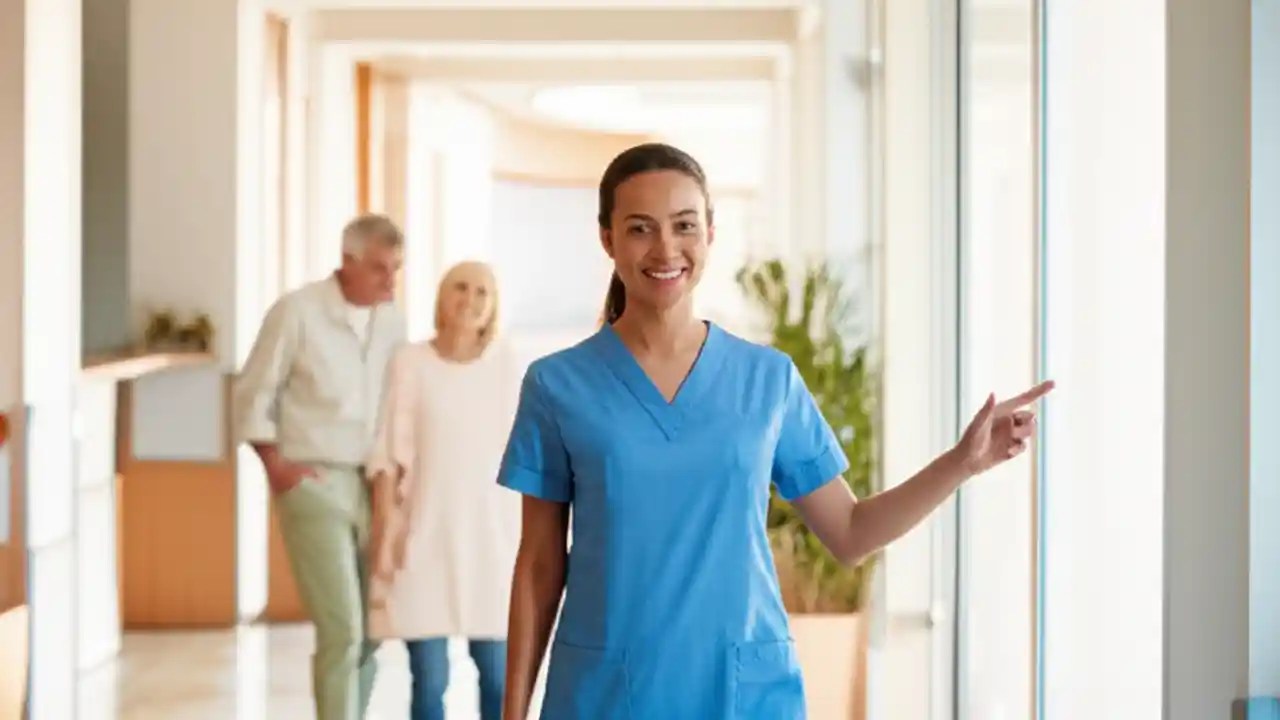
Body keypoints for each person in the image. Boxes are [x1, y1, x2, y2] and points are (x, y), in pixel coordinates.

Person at [497, 143, 1055, 720]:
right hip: (605, 694)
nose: (665, 249)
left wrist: (962, 463)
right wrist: (512, 713)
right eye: (640, 228)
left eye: (684, 226)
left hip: (743, 694)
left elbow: (850, 532)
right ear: (608, 238)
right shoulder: (557, 386)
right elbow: (539, 566)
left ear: (710, 232)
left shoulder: (767, 380)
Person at [233, 213, 406, 720]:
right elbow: (251, 394)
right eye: (379, 268)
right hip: (314, 481)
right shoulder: (297, 312)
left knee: (373, 629)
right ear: (347, 261)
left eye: (396, 269)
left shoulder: (392, 319)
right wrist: (278, 469)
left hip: (374, 484)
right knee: (342, 628)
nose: (390, 281)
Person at [364, 260, 518, 720]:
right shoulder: (410, 362)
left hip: (491, 544)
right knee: (430, 681)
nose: (469, 300)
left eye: (481, 292)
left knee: (497, 678)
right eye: (460, 288)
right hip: (424, 538)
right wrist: (384, 535)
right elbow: (389, 453)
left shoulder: (508, 365)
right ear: (441, 297)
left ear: (493, 307)